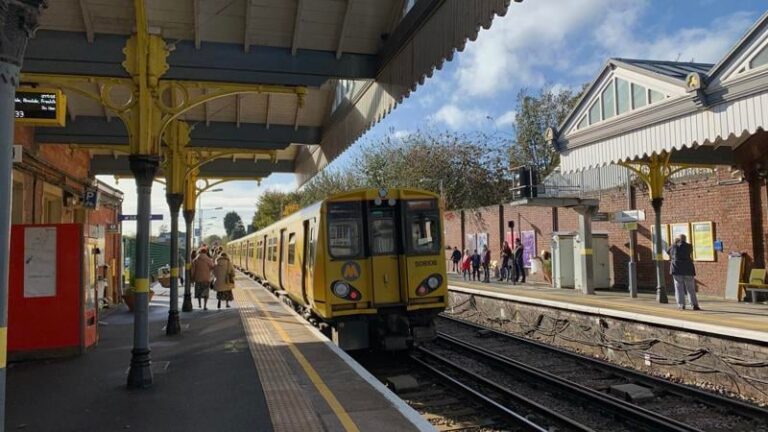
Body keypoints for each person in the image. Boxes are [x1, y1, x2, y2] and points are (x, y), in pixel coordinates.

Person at [668, 234, 700, 311]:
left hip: (677, 269)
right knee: (691, 288)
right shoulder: (689, 246)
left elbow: (668, 251)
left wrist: (674, 242)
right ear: (685, 239)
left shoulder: (674, 246)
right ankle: (694, 305)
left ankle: (681, 305)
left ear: (678, 239)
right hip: (688, 269)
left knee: (679, 288)